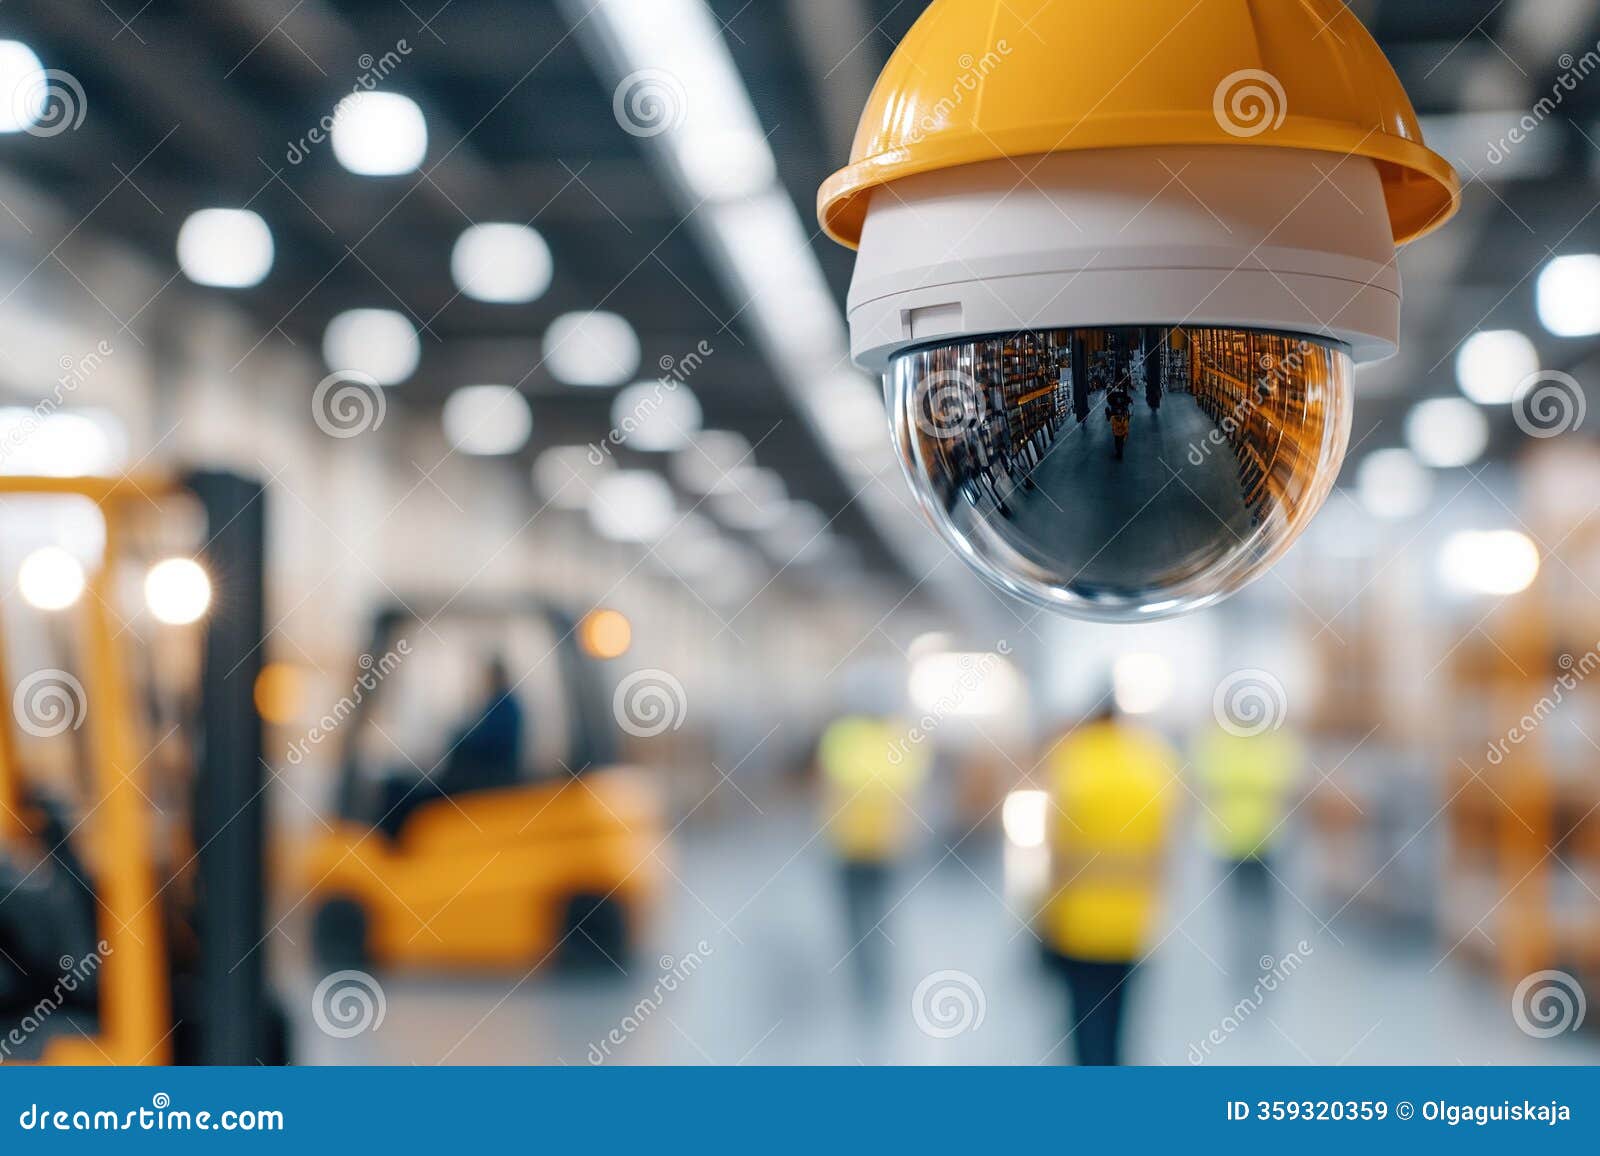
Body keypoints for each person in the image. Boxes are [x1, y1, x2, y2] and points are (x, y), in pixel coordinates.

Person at [1041, 700, 1178, 1065]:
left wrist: (1045, 913)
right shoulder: (1150, 762)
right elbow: (1165, 848)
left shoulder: (1072, 761)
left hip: (1079, 922)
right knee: (1121, 1023)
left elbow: (1056, 849)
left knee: (1085, 1022)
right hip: (1131, 923)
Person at [817, 715, 929, 1001]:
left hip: (863, 846)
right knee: (871, 912)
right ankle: (871, 973)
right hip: (862, 846)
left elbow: (829, 789)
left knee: (865, 912)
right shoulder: (890, 740)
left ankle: (870, 973)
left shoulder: (845, 738)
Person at [1191, 718, 1302, 969]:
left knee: (1263, 904)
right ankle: (1244, 956)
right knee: (1238, 903)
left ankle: (1262, 956)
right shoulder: (1218, 741)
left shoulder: (1275, 741)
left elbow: (1290, 783)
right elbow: (1205, 781)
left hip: (1266, 841)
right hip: (1231, 842)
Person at [378, 656, 525, 837]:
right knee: (409, 789)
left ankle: (391, 842)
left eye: (487, 676)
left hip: (483, 782)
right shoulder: (500, 704)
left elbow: (485, 743)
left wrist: (458, 738)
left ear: (495, 676)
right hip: (480, 777)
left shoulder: (504, 706)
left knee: (403, 795)